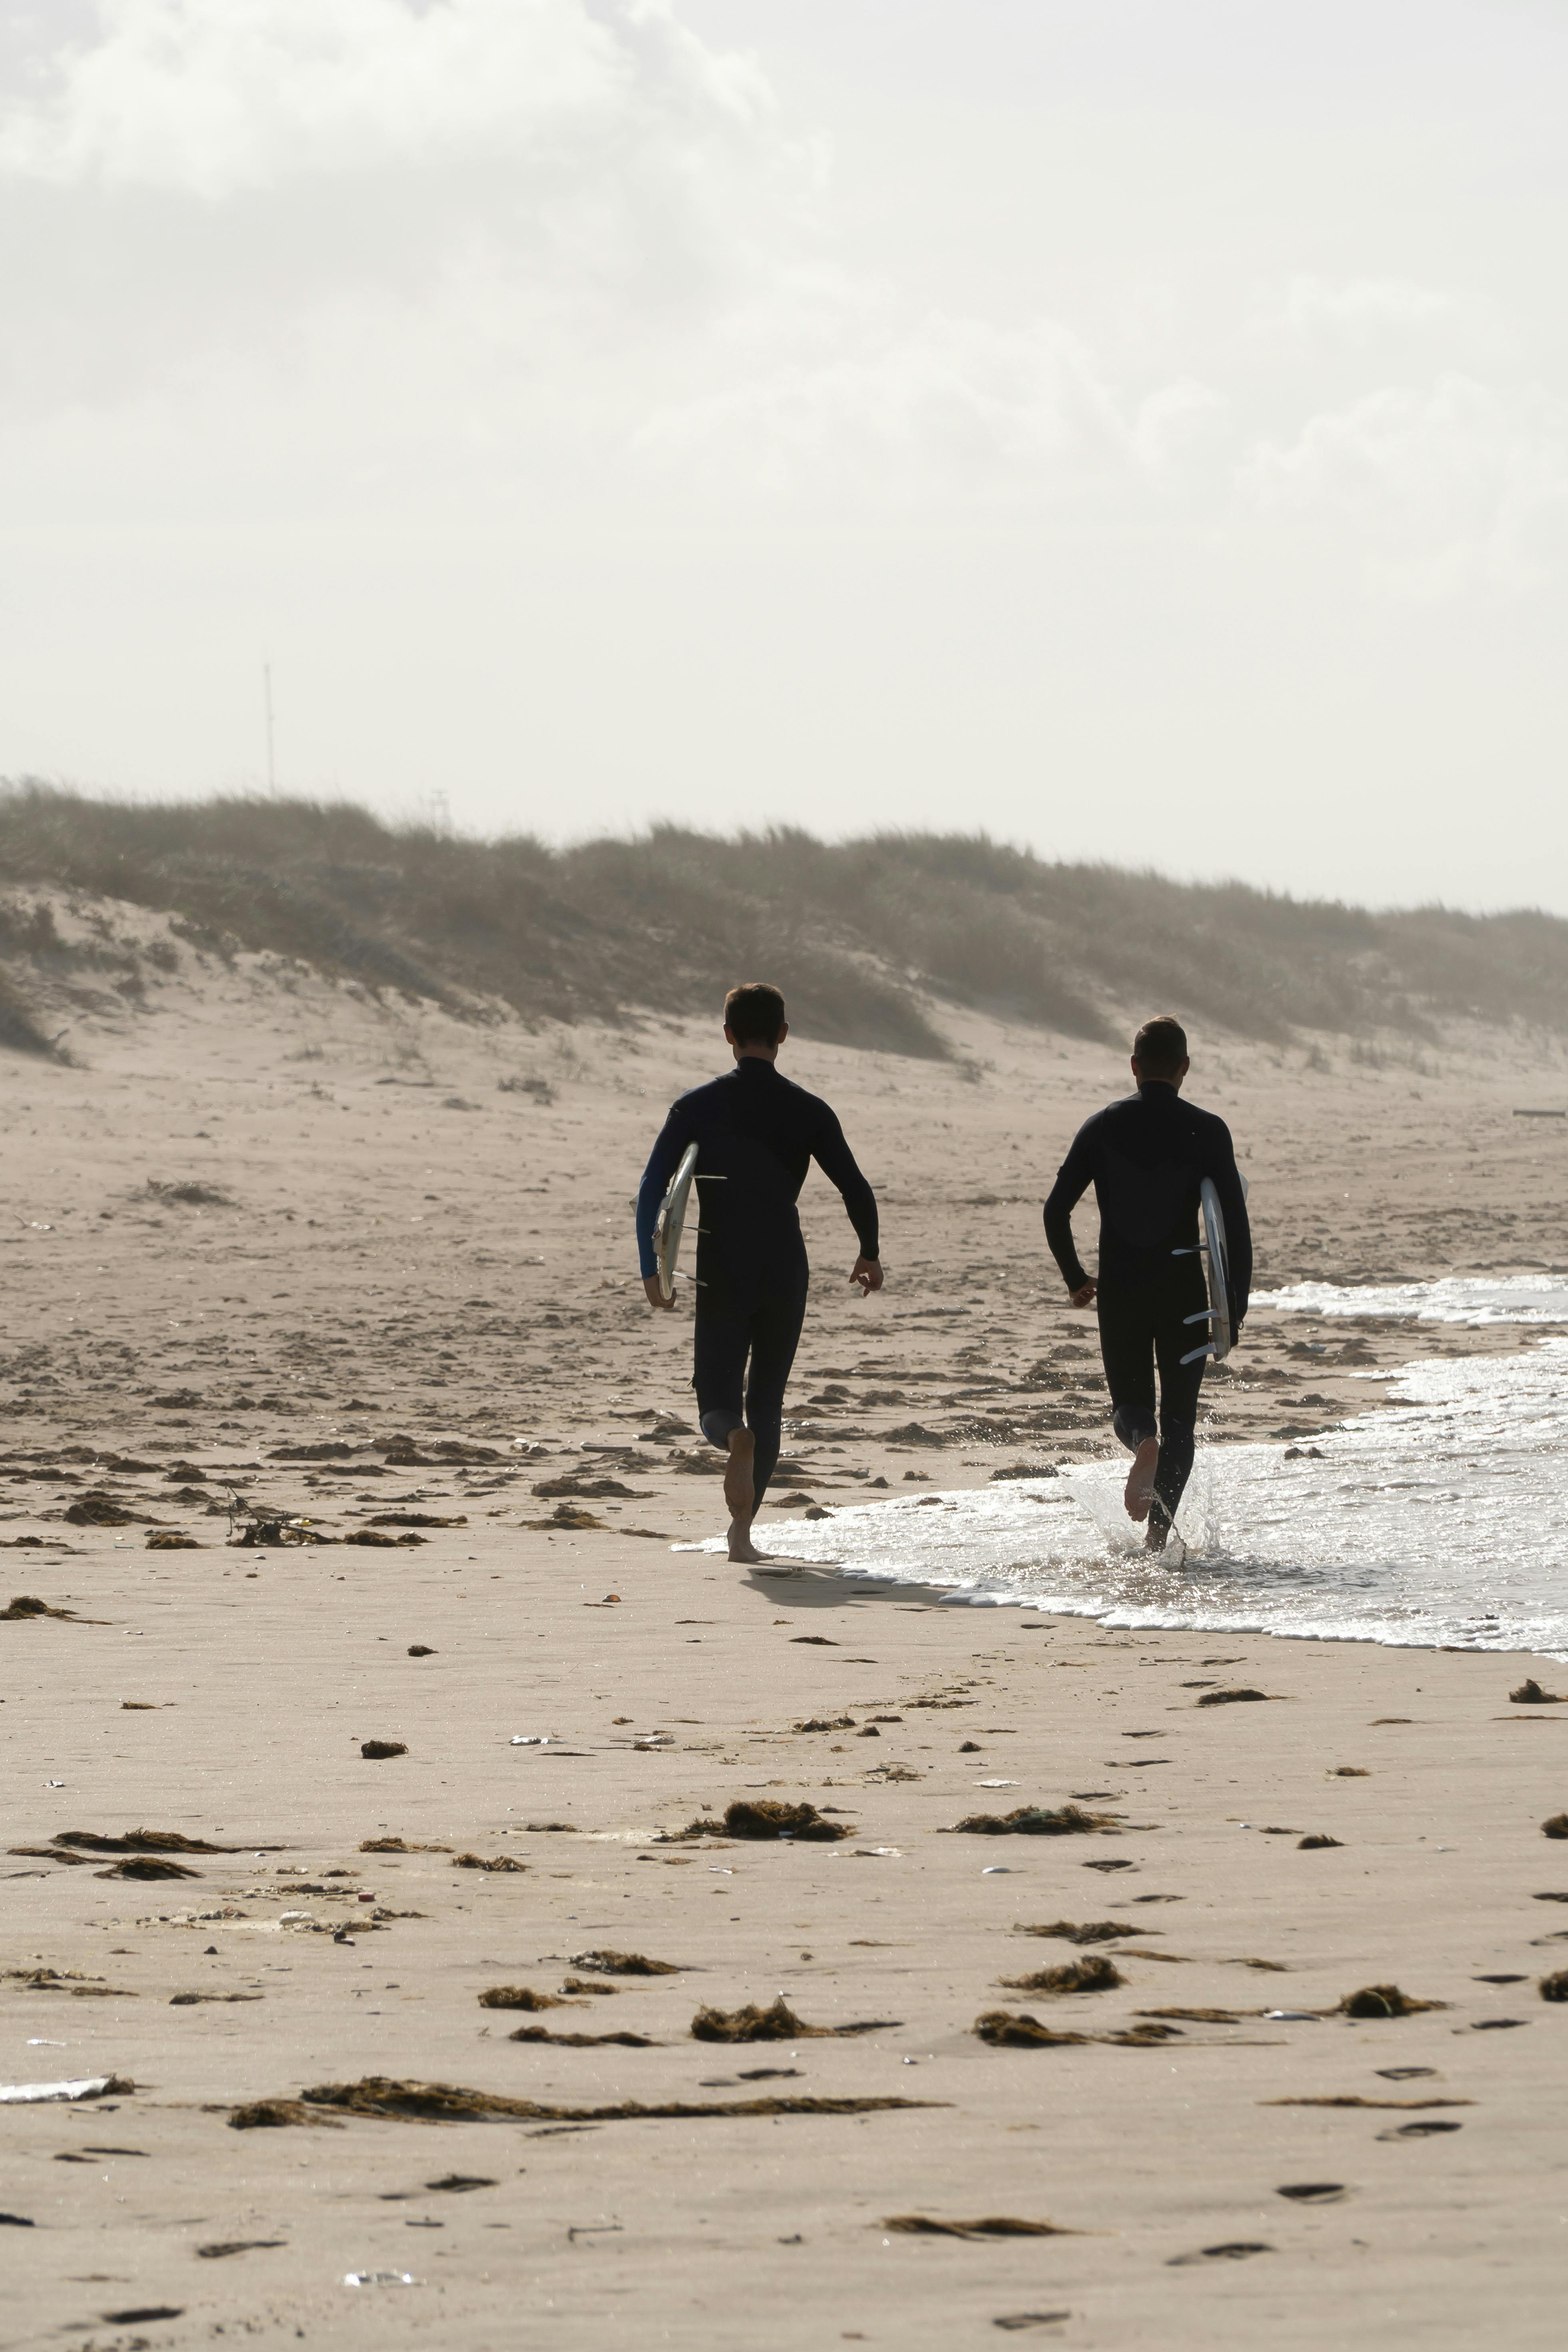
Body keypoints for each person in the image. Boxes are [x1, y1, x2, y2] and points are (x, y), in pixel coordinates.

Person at [636, 983, 883, 1564]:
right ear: (782, 1035)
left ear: (727, 1035)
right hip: (785, 1263)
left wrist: (651, 1268)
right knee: (767, 1398)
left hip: (723, 1262)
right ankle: (742, 1534)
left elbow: (654, 1186)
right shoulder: (809, 1109)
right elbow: (854, 1185)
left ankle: (731, 1439)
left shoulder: (696, 1106)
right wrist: (869, 1252)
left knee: (716, 1398)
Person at [1042, 1016, 1251, 1553]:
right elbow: (1233, 1226)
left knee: (1129, 1404)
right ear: (1184, 1067)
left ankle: (1142, 1442)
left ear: (1134, 1067)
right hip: (1183, 1290)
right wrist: (1234, 1308)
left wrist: (1075, 1278)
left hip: (1122, 1288)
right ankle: (1159, 1540)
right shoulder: (1208, 1130)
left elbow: (1055, 1210)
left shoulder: (1103, 1125)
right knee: (1181, 1418)